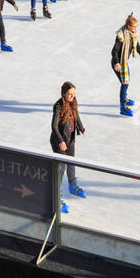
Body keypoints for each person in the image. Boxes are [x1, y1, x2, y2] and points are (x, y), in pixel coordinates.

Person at [50, 81, 87, 212]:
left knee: (72, 163)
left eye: (73, 94)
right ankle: (56, 197)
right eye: (70, 94)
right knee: (61, 167)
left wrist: (81, 128)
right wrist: (60, 141)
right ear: (63, 94)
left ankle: (72, 185)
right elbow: (54, 126)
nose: (72, 96)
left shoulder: (73, 103)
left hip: (70, 139)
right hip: (59, 141)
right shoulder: (58, 106)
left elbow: (76, 115)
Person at [111, 14, 140, 116]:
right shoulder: (121, 36)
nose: (136, 29)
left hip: (124, 63)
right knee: (125, 83)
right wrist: (117, 63)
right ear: (128, 26)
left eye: (136, 26)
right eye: (134, 26)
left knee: (126, 82)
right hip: (118, 63)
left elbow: (138, 47)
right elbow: (114, 51)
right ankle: (123, 106)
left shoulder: (133, 35)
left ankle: (124, 99)